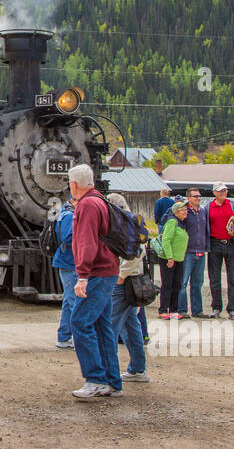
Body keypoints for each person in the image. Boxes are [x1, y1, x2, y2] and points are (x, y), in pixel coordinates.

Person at [66, 164, 122, 399]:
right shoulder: (100, 199)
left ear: (74, 185)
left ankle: (96, 378)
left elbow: (86, 242)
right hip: (107, 270)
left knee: (79, 322)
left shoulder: (87, 205)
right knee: (101, 326)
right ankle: (112, 381)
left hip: (97, 273)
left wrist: (82, 276)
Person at [108, 193, 148, 382]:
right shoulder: (134, 221)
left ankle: (108, 374)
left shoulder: (123, 224)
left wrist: (121, 276)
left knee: (110, 326)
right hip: (131, 279)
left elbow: (136, 254)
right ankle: (137, 369)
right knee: (131, 327)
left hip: (123, 281)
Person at [205, 182, 234, 320]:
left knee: (233, 279)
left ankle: (232, 309)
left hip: (231, 244)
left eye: (225, 190)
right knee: (214, 279)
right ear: (214, 193)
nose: (223, 192)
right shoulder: (208, 208)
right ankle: (216, 307)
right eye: (220, 191)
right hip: (214, 244)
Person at [176, 189, 208, 318]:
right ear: (188, 198)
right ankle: (182, 309)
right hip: (187, 252)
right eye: (195, 196)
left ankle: (197, 310)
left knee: (197, 282)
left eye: (199, 196)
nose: (198, 198)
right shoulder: (184, 212)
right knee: (183, 282)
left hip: (201, 251)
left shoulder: (203, 211)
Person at [156, 200, 190, 318]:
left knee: (177, 284)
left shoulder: (181, 223)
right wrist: (170, 257)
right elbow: (166, 240)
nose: (185, 212)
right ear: (175, 212)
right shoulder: (172, 221)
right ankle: (163, 310)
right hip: (168, 259)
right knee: (167, 284)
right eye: (183, 210)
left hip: (179, 259)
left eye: (186, 210)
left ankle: (173, 310)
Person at [52, 197, 78, 348]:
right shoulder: (69, 216)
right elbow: (68, 237)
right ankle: (77, 336)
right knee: (75, 301)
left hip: (68, 261)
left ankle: (64, 336)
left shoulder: (65, 214)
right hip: (69, 261)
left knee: (69, 300)